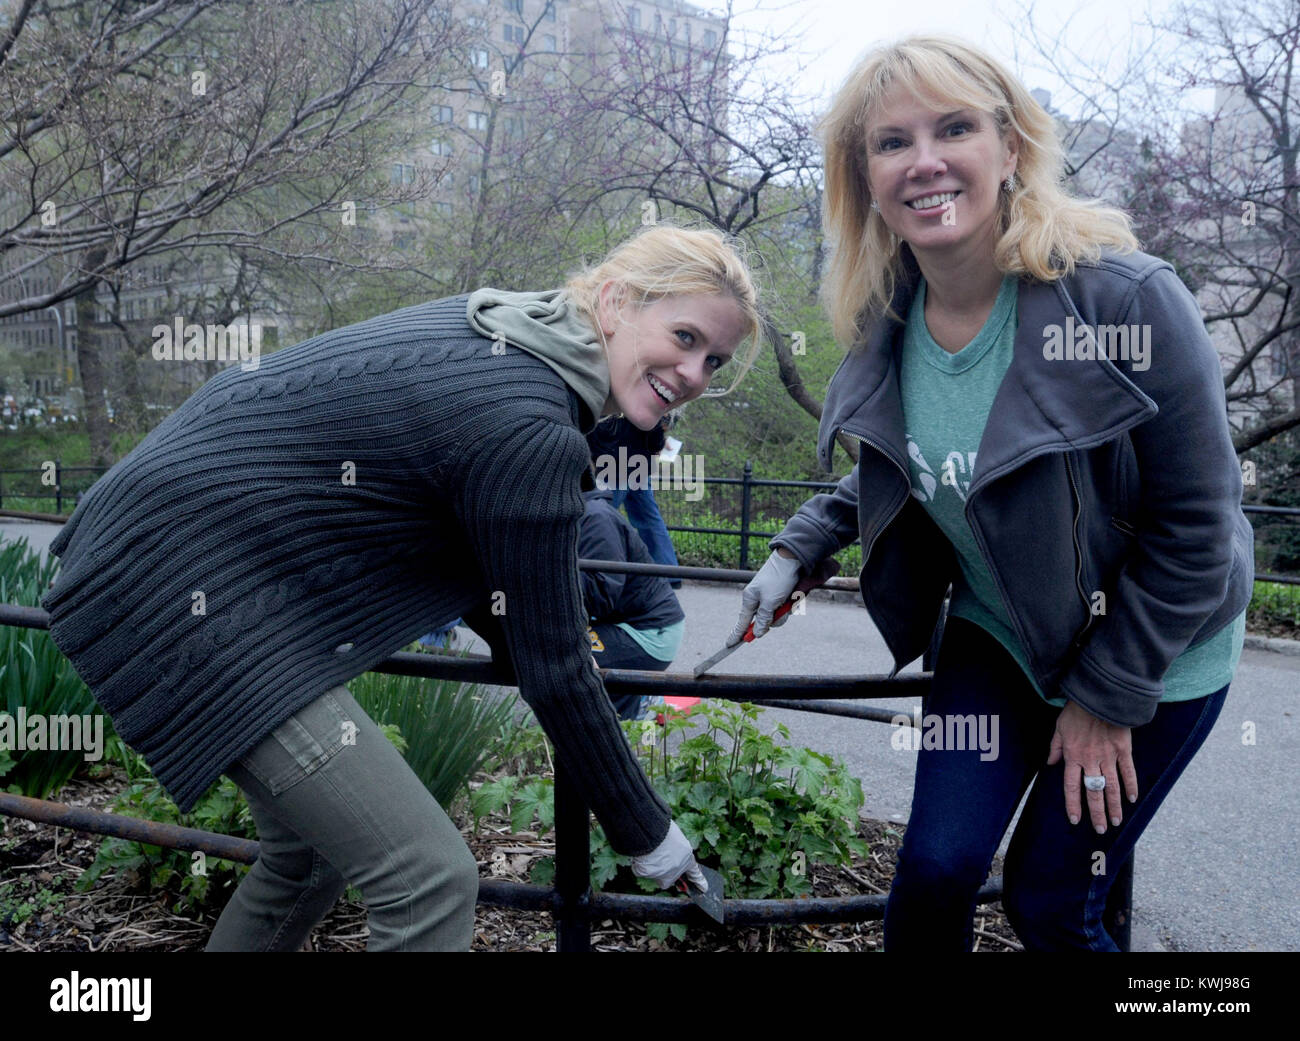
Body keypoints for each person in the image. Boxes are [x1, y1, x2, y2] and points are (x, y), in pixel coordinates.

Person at [41, 222, 763, 951]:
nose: (696, 372)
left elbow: (502, 593)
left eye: (716, 358)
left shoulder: (502, 329)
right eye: (684, 335)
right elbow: (557, 668)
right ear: (613, 300)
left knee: (310, 857)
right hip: (183, 582)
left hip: (160, 549)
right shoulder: (530, 419)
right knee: (429, 881)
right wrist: (656, 840)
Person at [730, 35, 1253, 952]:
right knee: (933, 871)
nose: (924, 161)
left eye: (956, 128)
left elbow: (1202, 527)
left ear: (1011, 148)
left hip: (1155, 647)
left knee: (1053, 898)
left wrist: (1108, 692)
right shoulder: (885, 313)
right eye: (891, 142)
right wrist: (797, 547)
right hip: (998, 632)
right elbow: (909, 463)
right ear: (866, 177)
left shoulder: (1122, 301)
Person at [579, 486, 685, 720]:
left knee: (569, 652)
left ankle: (640, 704)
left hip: (648, 632)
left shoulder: (596, 518)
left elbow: (600, 595)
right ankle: (634, 695)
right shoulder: (578, 515)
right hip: (625, 621)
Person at [586, 414, 683, 588]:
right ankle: (668, 572)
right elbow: (651, 425)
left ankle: (596, 570)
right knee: (649, 520)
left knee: (601, 519)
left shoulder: (614, 399)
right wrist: (658, 444)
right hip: (638, 465)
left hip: (614, 466)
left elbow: (597, 430)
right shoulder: (638, 398)